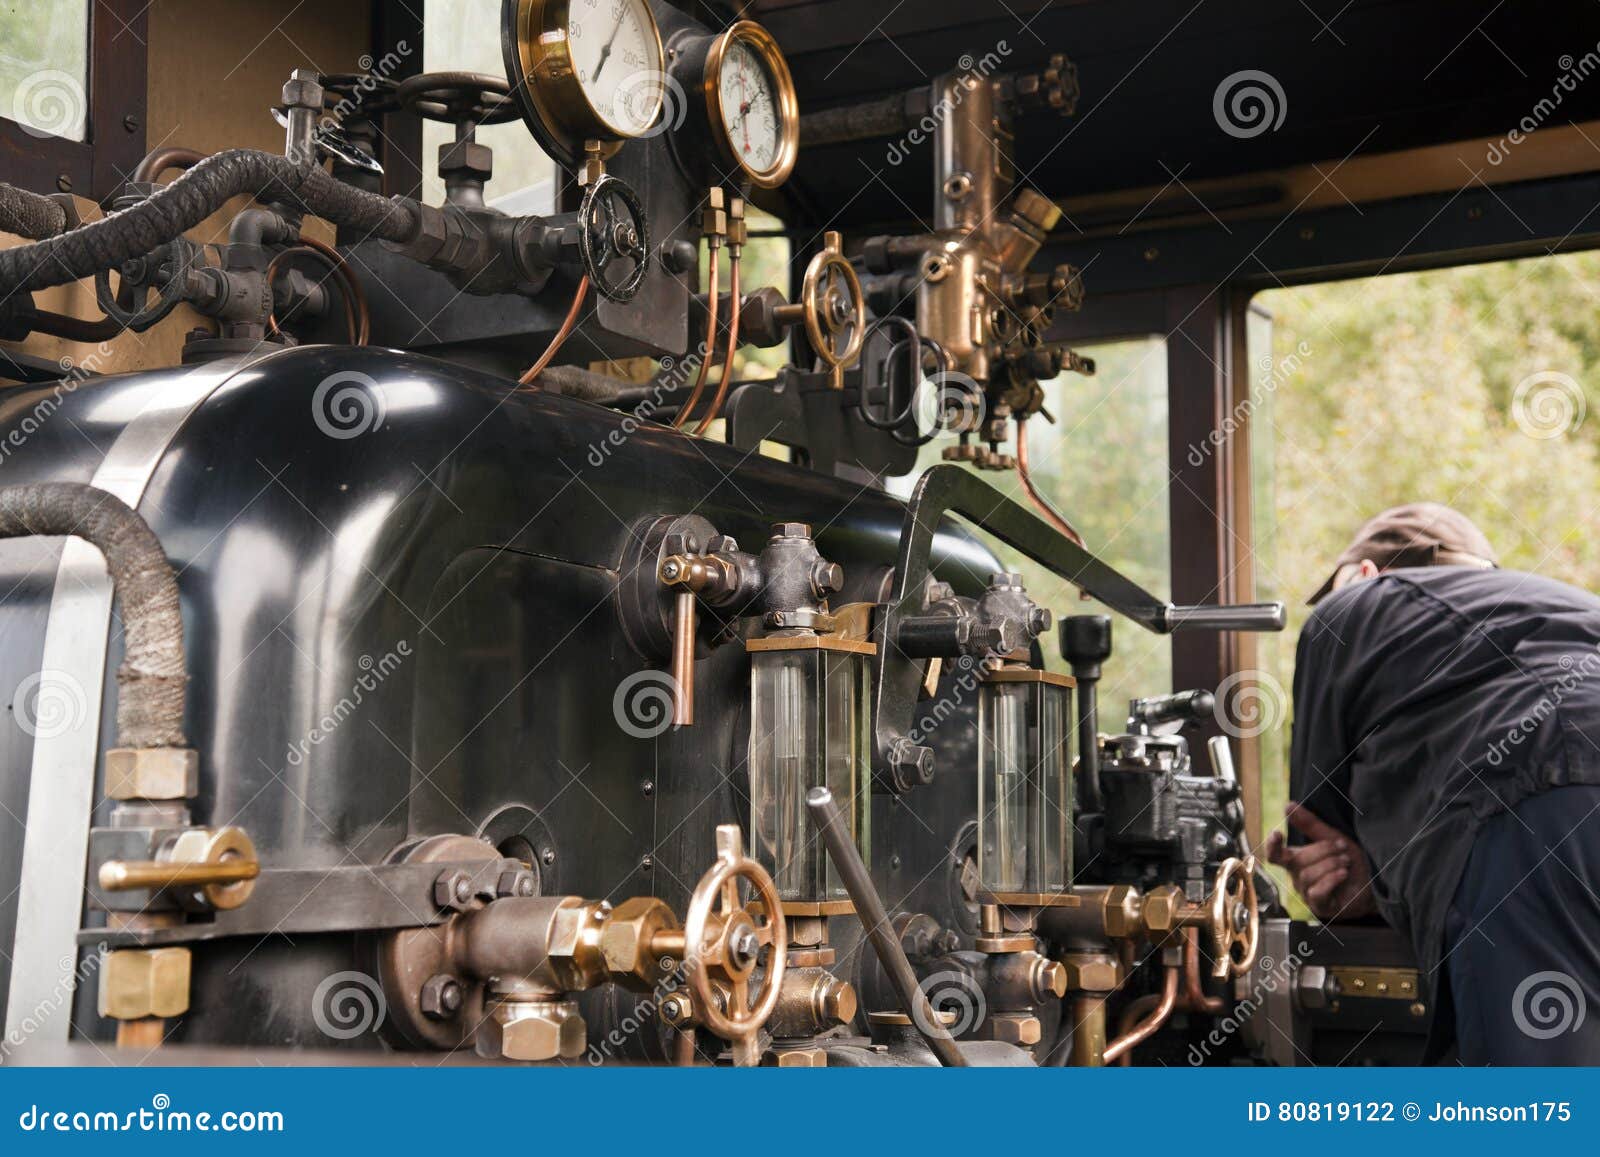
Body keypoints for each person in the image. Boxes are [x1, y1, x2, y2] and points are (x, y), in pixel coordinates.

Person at [1264, 502, 1600, 1064]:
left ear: (1363, 575)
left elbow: (1319, 827)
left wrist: (1354, 884)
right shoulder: (1565, 605)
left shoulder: (1358, 605)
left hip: (1543, 814)